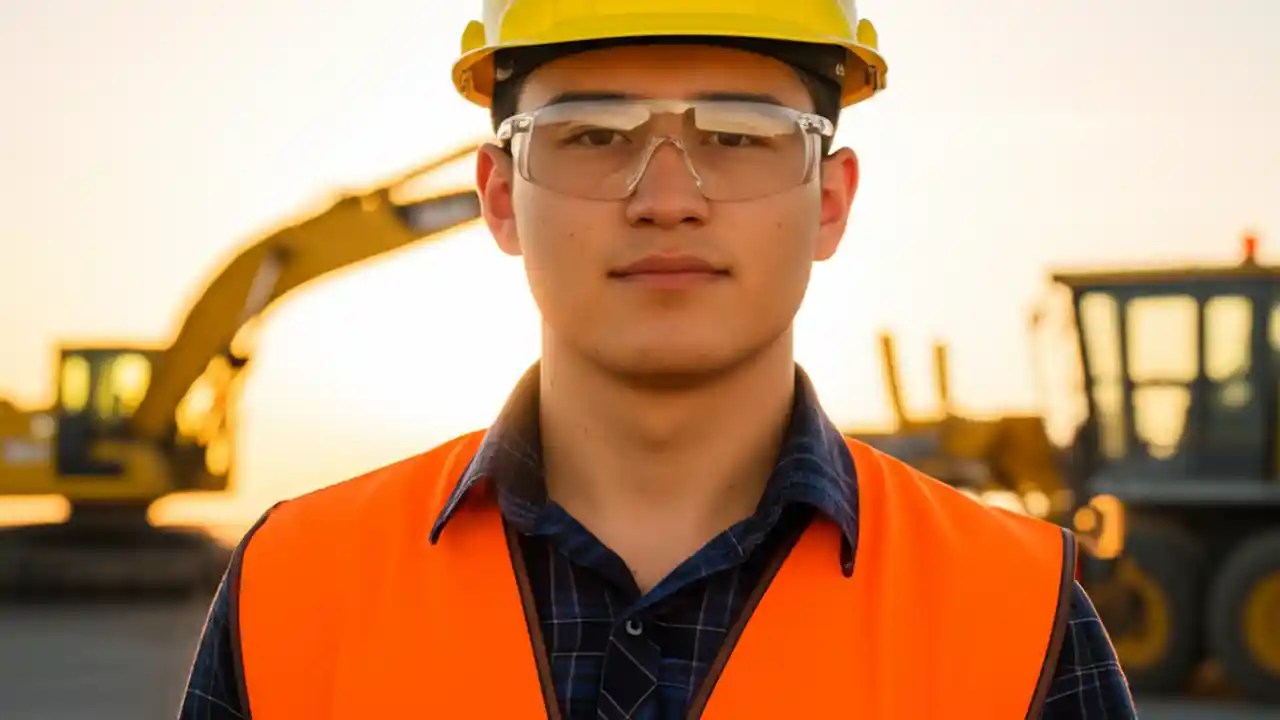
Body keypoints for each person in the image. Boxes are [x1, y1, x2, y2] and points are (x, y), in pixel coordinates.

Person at [179, 0, 1137, 717]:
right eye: (593, 136)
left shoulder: (1019, 614)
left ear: (832, 201)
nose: (667, 197)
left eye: (740, 136)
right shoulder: (295, 585)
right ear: (500, 197)